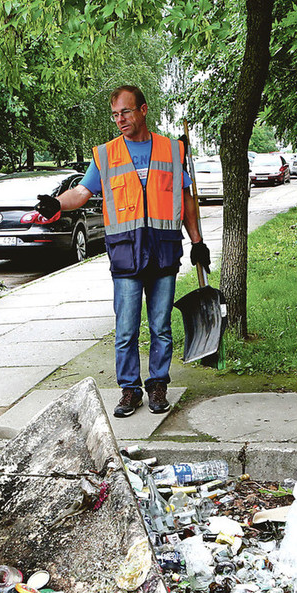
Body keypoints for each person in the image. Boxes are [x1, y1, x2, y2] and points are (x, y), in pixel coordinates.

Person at [39, 86, 207, 418]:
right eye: (115, 115)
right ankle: (130, 390)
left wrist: (197, 240)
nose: (120, 120)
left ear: (143, 110)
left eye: (126, 112)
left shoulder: (172, 151)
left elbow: (186, 200)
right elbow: (83, 192)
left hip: (163, 251)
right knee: (127, 328)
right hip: (126, 253)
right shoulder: (106, 154)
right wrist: (57, 203)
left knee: (160, 326)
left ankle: (158, 384)